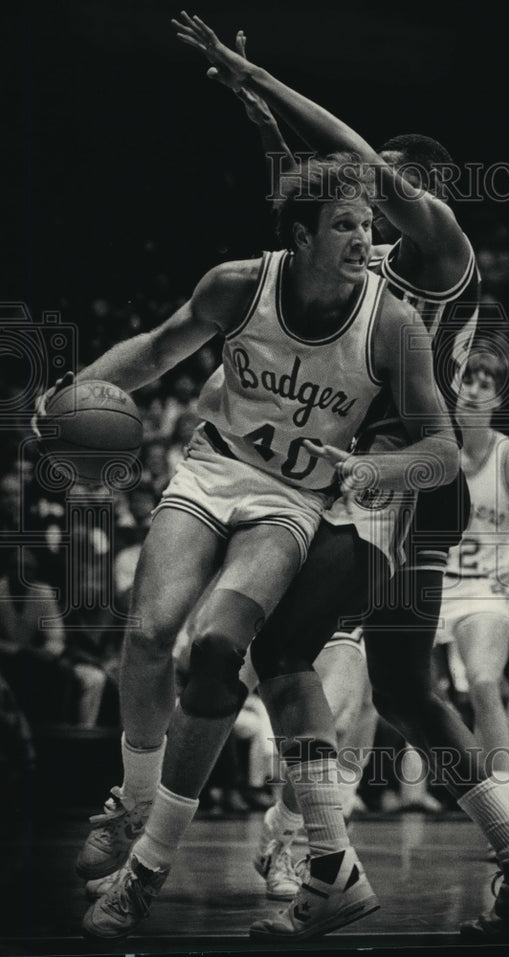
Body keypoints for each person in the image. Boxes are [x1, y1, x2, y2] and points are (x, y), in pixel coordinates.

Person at [169, 15, 509, 943]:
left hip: (397, 479)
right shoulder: (369, 258)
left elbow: (345, 157)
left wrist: (261, 75)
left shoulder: (441, 247)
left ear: (414, 187)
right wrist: (256, 115)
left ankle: (325, 867)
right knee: (405, 691)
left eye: (377, 181)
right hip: (397, 485)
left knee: (272, 650)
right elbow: (303, 204)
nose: (360, 194)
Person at [35, 152, 459, 939]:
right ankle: (132, 799)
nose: (365, 239)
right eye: (344, 224)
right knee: (150, 630)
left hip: (292, 503)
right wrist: (69, 400)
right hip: (212, 470)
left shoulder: (392, 324)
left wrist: (372, 466)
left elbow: (441, 448)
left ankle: (196, 853)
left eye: (368, 224)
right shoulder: (239, 284)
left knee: (216, 642)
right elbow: (159, 348)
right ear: (299, 237)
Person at [435, 346, 509, 806]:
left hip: (484, 590)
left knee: (482, 681)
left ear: (497, 400)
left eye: (486, 384)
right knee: (378, 692)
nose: (474, 390)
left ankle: (500, 807)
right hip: (429, 587)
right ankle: (338, 805)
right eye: (469, 380)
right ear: (455, 389)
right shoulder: (433, 449)